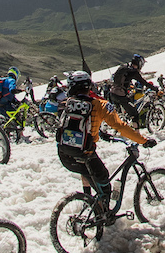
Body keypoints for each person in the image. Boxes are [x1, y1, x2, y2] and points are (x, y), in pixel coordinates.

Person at [54, 71, 152, 212]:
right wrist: (143, 140)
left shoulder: (67, 104)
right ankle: (102, 215)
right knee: (104, 184)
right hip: (85, 153)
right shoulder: (100, 105)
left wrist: (99, 133)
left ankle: (90, 203)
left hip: (65, 154)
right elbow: (120, 126)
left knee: (89, 175)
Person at [108, 54, 149, 121]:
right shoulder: (133, 72)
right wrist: (155, 89)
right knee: (135, 114)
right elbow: (144, 82)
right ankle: (136, 131)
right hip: (120, 96)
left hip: (112, 93)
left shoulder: (124, 68)